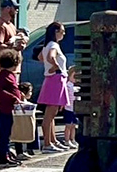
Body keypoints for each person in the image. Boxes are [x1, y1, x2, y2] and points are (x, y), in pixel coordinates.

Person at [37, 22, 70, 153]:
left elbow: (41, 57)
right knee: (50, 114)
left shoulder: (48, 44)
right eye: (62, 31)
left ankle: (53, 140)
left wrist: (48, 65)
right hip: (56, 79)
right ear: (55, 32)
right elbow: (50, 56)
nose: (64, 34)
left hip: (53, 79)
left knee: (52, 112)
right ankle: (47, 144)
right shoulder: (54, 45)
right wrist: (55, 66)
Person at [0, 49, 24, 166]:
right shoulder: (3, 75)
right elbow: (0, 91)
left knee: (7, 133)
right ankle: (3, 156)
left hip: (10, 108)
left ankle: (6, 154)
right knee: (4, 133)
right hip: (5, 108)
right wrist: (13, 98)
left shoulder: (9, 75)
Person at [0, 0, 27, 77]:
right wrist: (14, 47)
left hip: (13, 70)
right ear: (7, 8)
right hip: (4, 71)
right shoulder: (0, 26)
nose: (17, 10)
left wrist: (21, 42)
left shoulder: (10, 25)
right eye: (15, 7)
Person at [13, 82, 36, 160]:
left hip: (20, 119)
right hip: (21, 119)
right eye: (30, 91)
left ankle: (22, 151)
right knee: (20, 134)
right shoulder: (21, 101)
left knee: (21, 135)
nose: (31, 93)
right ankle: (20, 152)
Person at [63, 66, 79, 149]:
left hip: (74, 108)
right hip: (68, 108)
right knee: (68, 125)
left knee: (74, 125)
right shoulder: (68, 85)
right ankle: (66, 140)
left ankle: (72, 139)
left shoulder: (75, 86)